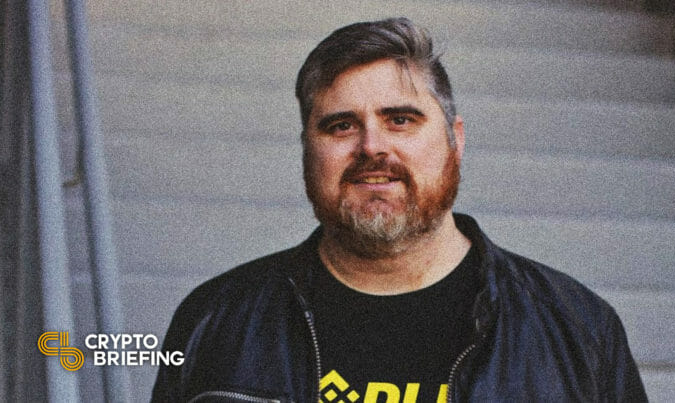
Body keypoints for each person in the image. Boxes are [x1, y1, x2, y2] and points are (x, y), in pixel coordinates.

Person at [152, 17, 647, 402]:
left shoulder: (578, 329)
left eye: (401, 120)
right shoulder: (214, 320)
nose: (372, 147)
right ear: (307, 150)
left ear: (455, 140)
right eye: (341, 126)